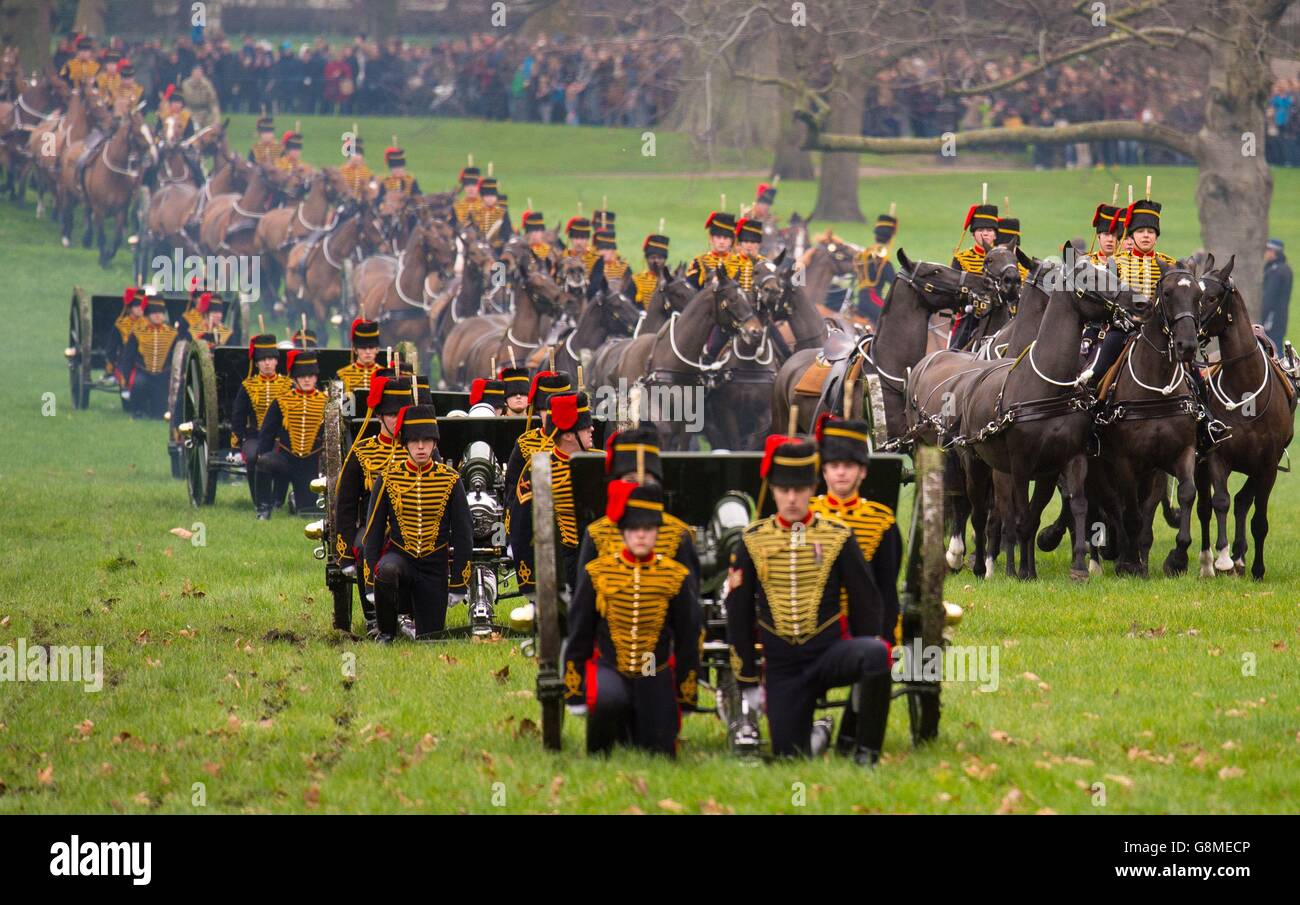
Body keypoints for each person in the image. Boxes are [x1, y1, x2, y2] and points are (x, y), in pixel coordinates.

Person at [725, 435, 892, 764]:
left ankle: (865, 754)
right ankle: (819, 732)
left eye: (799, 490)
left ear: (812, 488)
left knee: (875, 654)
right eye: (784, 490)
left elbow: (866, 599)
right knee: (791, 756)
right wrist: (747, 680)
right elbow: (738, 612)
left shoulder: (837, 535)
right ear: (773, 490)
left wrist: (866, 671)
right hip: (783, 668)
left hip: (827, 654)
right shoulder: (752, 540)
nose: (791, 498)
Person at [564, 480, 700, 757]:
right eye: (633, 528)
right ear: (622, 531)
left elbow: (688, 635)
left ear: (656, 533)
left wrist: (686, 691)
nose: (640, 535)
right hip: (611, 662)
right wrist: (574, 689)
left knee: (659, 742)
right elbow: (580, 631)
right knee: (608, 699)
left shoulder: (675, 577)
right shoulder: (597, 573)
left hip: (653, 665)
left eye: (647, 529)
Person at [362, 404, 473, 642]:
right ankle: (386, 633)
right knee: (387, 570)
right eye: (414, 441)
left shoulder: (451, 479)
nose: (421, 447)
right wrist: (372, 581)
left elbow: (464, 535)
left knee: (430, 638)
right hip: (400, 557)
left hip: (435, 566)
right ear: (406, 444)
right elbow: (373, 531)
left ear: (435, 443)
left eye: (426, 441)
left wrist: (458, 582)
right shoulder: (388, 478)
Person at [335, 372, 414, 637]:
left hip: (415, 524)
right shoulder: (362, 451)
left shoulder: (420, 447)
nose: (398, 420)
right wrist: (345, 551)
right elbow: (345, 504)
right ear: (379, 416)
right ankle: (373, 617)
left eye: (403, 413)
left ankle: (412, 613)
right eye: (392, 414)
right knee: (362, 545)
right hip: (373, 525)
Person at [508, 391, 595, 598]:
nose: (592, 428)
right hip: (561, 562)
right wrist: (529, 583)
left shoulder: (600, 462)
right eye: (584, 427)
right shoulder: (539, 468)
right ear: (567, 434)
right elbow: (521, 528)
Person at [255, 349, 326, 519]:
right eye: (302, 376)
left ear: (316, 377)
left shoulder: (326, 402)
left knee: (306, 511)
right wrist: (261, 454)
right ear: (295, 379)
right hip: (285, 460)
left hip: (310, 464)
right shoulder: (282, 401)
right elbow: (267, 431)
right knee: (265, 462)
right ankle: (264, 508)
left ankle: (294, 500)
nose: (307, 379)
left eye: (310, 375)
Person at [231, 334, 291, 507]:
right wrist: (236, 442)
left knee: (285, 458)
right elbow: (238, 415)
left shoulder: (287, 385)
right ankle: (259, 500)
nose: (267, 363)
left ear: (276, 362)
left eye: (271, 358)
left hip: (281, 437)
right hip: (255, 436)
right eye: (263, 359)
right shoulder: (247, 386)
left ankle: (278, 499)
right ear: (256, 363)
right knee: (251, 456)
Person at [118, 297, 179, 419]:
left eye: (160, 312)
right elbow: (128, 357)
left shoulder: (172, 334)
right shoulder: (137, 332)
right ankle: (137, 410)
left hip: (163, 375)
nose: (158, 315)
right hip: (143, 372)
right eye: (154, 312)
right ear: (148, 315)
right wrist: (125, 376)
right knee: (138, 384)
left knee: (158, 414)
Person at [948, 202, 998, 349]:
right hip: (970, 316)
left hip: (998, 314)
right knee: (956, 350)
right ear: (973, 234)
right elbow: (953, 290)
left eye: (989, 230)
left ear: (995, 234)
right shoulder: (961, 259)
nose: (985, 233)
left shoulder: (1004, 257)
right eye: (980, 229)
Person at [853, 213, 897, 328]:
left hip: (862, 297)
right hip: (873, 298)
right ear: (890, 238)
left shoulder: (863, 255)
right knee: (894, 317)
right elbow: (895, 284)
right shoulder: (884, 262)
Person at [104, 288, 145, 383]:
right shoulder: (120, 325)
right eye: (137, 305)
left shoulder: (148, 324)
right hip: (125, 361)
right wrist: (111, 364)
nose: (141, 308)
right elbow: (112, 348)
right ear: (130, 307)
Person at [334, 318, 382, 393]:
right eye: (363, 348)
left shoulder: (384, 375)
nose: (368, 352)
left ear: (377, 349)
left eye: (371, 347)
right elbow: (334, 404)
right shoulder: (341, 375)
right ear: (355, 349)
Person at [1262, 238, 1292, 352]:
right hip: (1280, 318)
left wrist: (1263, 318)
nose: (1265, 253)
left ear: (1274, 252)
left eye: (1267, 250)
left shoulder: (1277, 272)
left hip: (1272, 319)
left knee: (1274, 349)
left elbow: (1269, 297)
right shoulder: (1283, 269)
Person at [586, 229, 629, 299]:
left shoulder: (623, 267)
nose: (603, 252)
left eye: (607, 249)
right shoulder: (594, 265)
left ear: (613, 249)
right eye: (601, 249)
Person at [631, 233, 669, 308]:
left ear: (665, 260)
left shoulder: (671, 280)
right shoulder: (637, 280)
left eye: (660, 258)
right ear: (647, 259)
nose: (656, 261)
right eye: (652, 257)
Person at [181, 63, 220, 129]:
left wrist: (216, 119)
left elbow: (213, 103)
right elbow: (181, 101)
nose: (198, 74)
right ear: (192, 73)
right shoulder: (185, 84)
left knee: (211, 130)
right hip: (190, 112)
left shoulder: (207, 84)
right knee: (195, 128)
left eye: (200, 72)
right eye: (196, 72)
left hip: (205, 113)